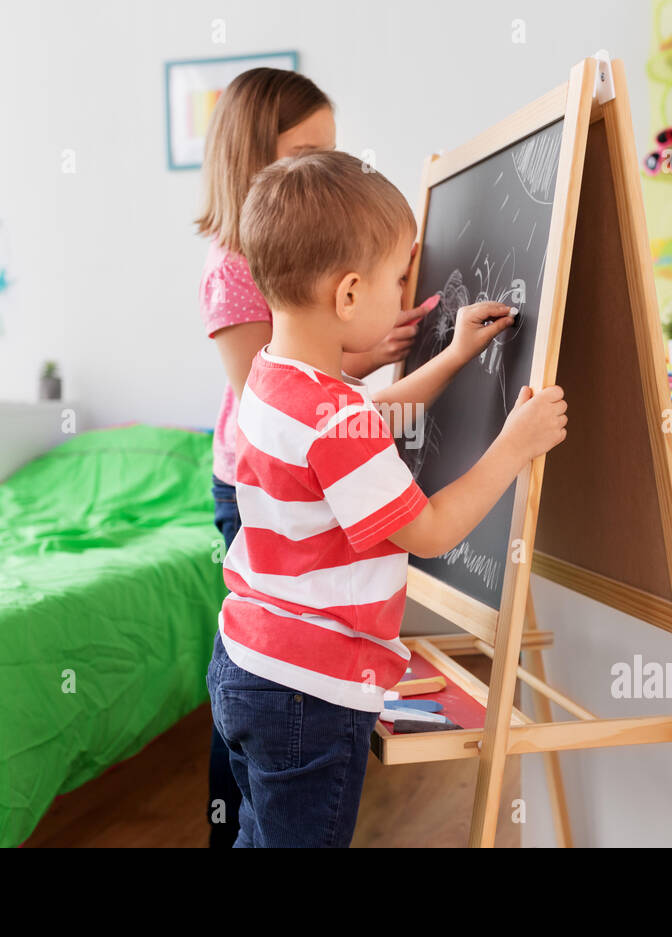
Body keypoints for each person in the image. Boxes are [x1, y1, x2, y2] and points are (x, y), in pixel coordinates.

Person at [206, 150, 568, 847]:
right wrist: (513, 447)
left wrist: (453, 357)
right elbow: (429, 530)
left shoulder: (273, 379)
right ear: (347, 295)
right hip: (306, 693)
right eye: (398, 279)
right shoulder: (334, 420)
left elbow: (363, 423)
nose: (408, 292)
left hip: (247, 665)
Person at [195, 67, 436, 847]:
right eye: (305, 152)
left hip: (303, 466)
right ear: (250, 158)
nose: (324, 170)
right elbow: (295, 396)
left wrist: (372, 347)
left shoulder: (319, 382)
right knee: (269, 677)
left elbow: (320, 389)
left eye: (333, 150)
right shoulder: (236, 272)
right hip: (258, 482)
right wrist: (361, 357)